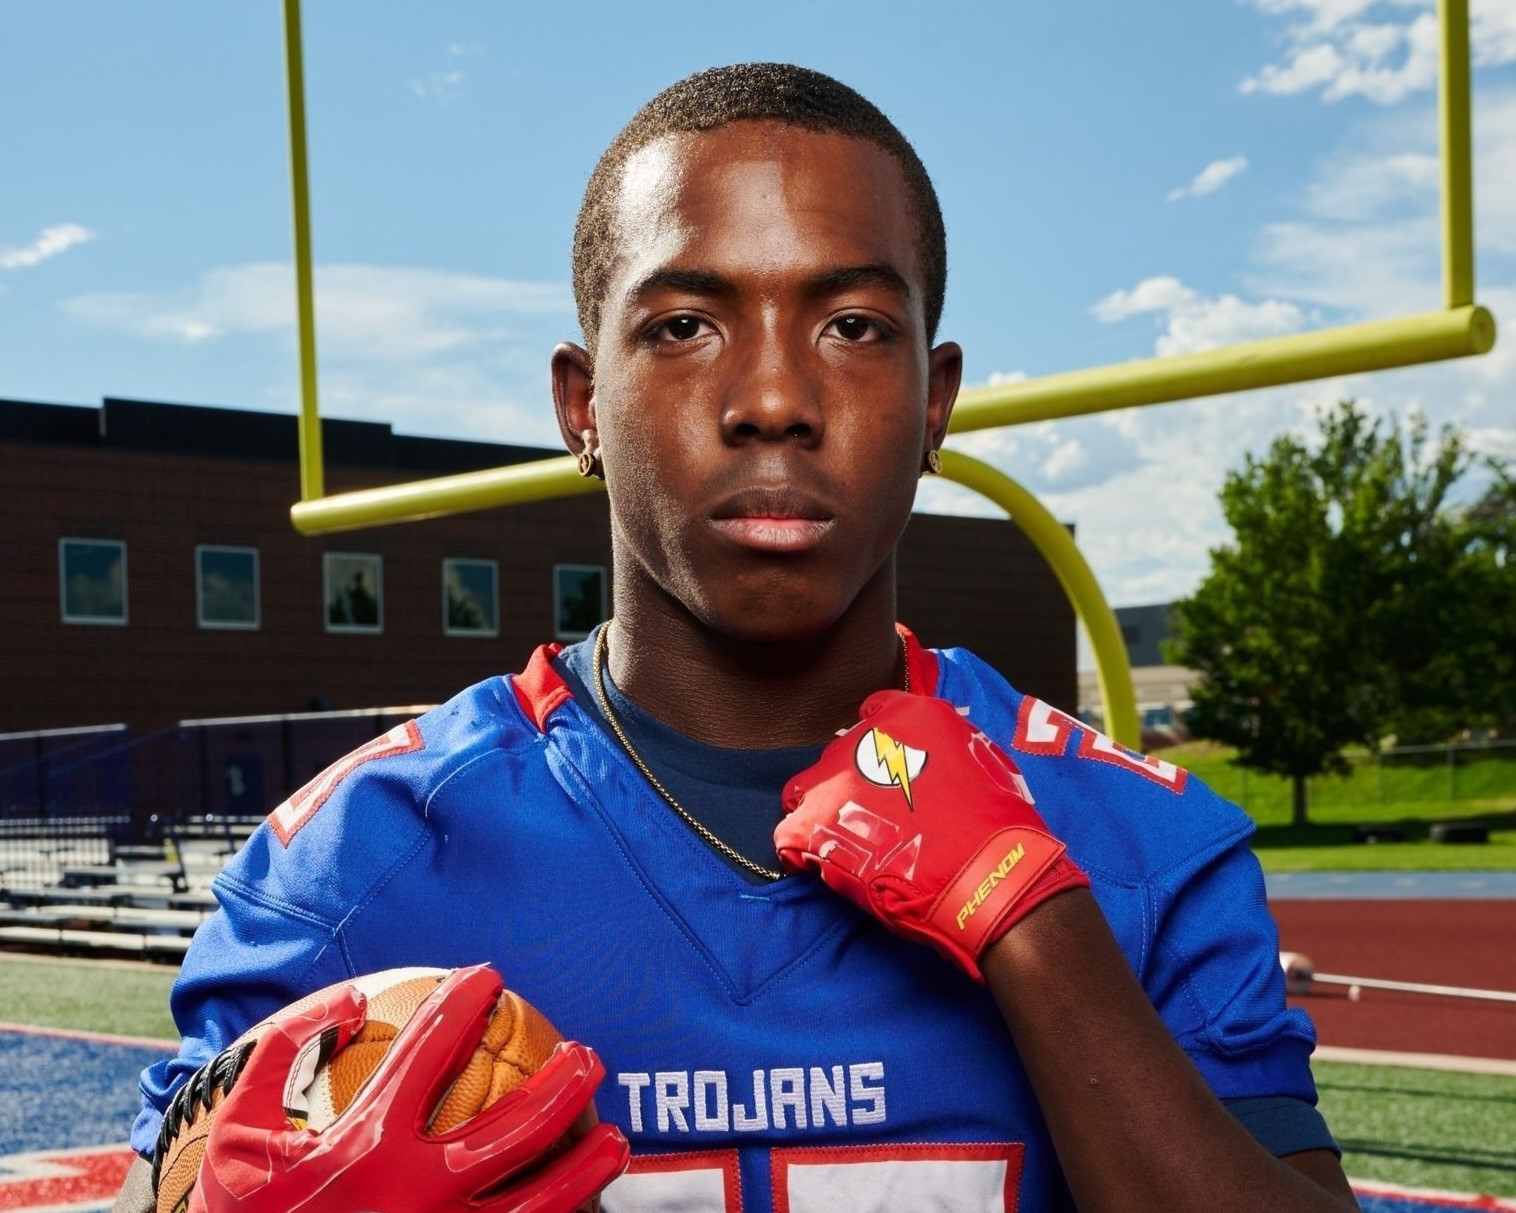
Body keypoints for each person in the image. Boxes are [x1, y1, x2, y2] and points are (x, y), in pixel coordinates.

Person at [115, 63, 1358, 1213]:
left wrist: (1037, 931)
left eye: (853, 325)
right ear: (579, 402)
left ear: (935, 402)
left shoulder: (1141, 846)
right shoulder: (351, 870)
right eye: (683, 325)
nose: (772, 399)